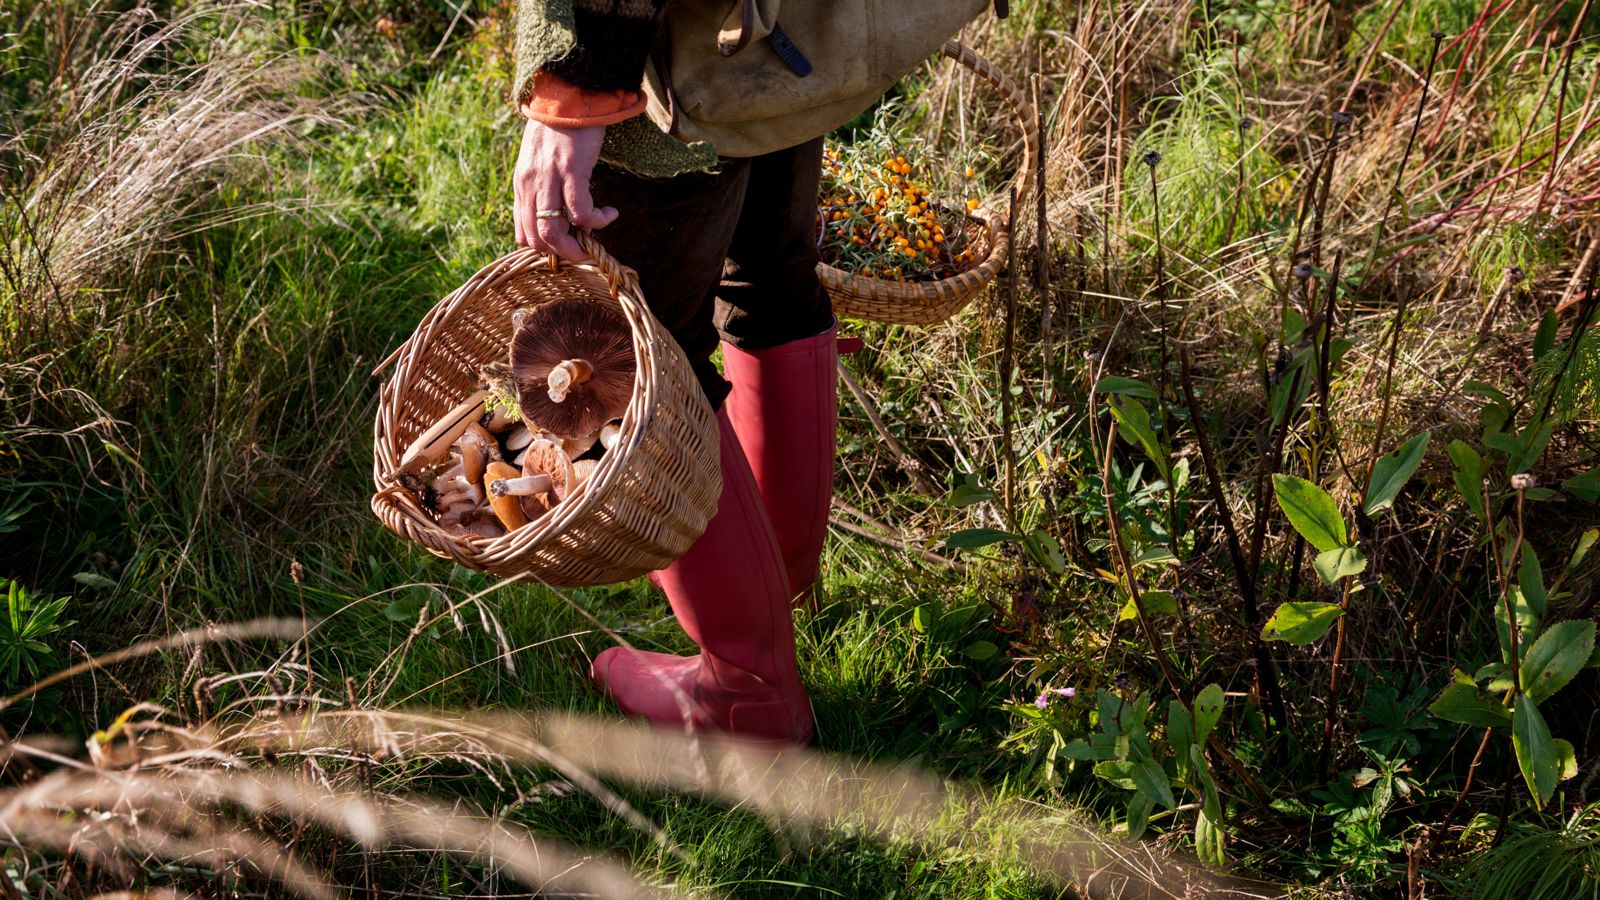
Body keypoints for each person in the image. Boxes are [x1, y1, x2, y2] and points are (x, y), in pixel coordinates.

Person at [510, 0, 988, 744]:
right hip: (769, 41)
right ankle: (773, 584)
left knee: (635, 361)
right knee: (769, 283)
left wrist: (576, 84)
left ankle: (746, 692)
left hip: (656, 59)